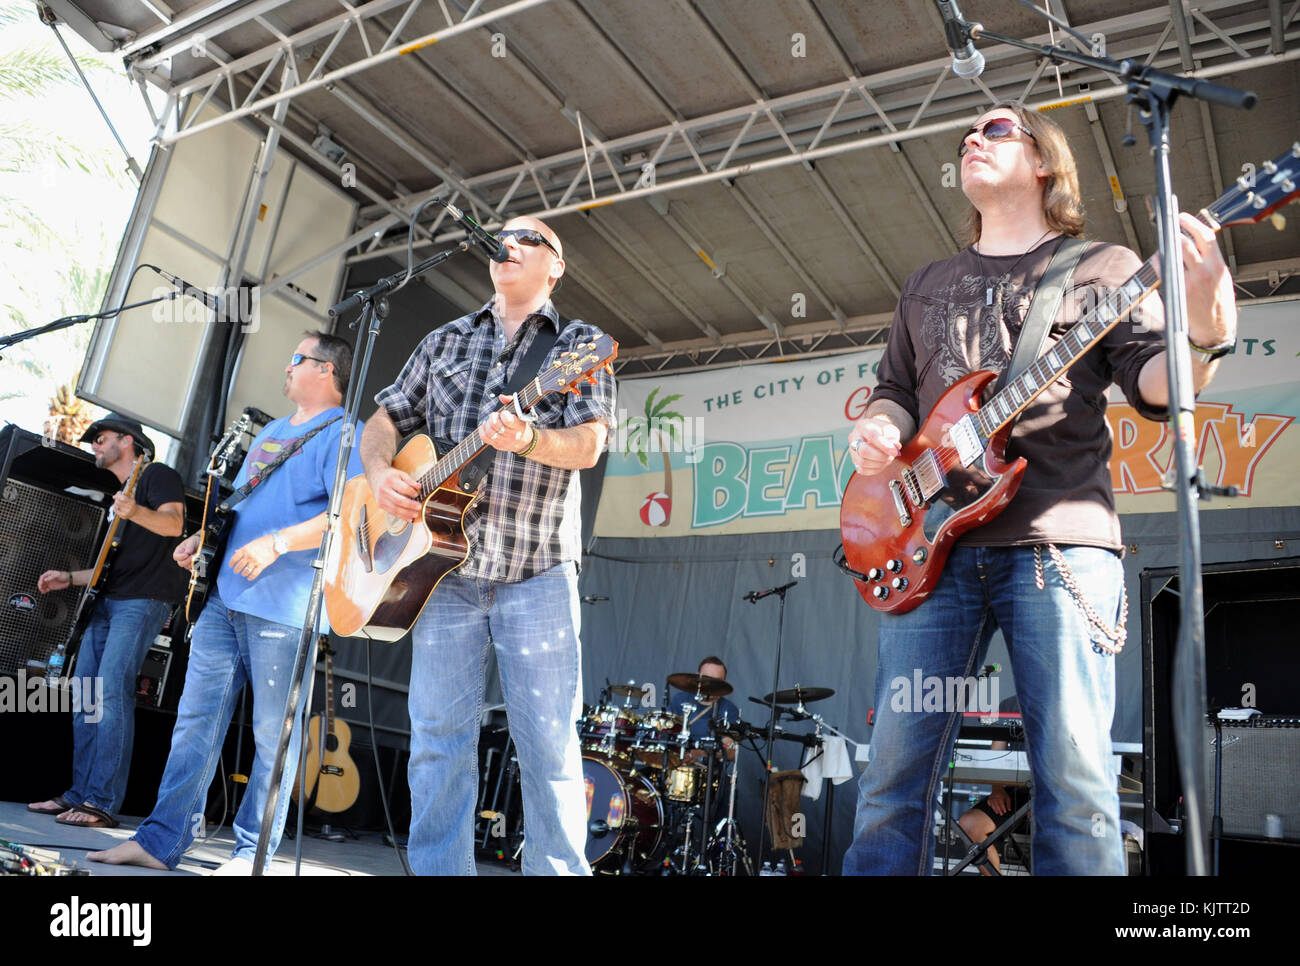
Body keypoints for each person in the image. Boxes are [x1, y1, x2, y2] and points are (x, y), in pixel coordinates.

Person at [842, 103, 1236, 876]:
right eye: (964, 134)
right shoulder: (926, 284)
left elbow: (1160, 388)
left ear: (1045, 161)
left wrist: (1209, 328)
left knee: (1077, 787)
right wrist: (879, 433)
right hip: (931, 560)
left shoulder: (1104, 268)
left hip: (1058, 548)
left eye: (992, 129)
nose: (970, 139)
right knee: (891, 778)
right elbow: (893, 390)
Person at [360, 215, 616, 875]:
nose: (511, 244)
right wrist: (381, 472)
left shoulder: (579, 345)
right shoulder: (443, 341)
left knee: (550, 748)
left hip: (536, 574)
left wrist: (529, 439)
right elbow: (386, 417)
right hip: (443, 575)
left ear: (555, 267)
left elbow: (589, 443)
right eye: (505, 236)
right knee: (438, 743)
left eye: (531, 239)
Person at [89, 331, 362, 874]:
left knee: (270, 738)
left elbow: (350, 517)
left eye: (296, 358)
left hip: (284, 609)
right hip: (224, 601)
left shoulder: (346, 435)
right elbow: (240, 504)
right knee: (193, 721)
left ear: (326, 371)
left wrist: (279, 542)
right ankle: (159, 840)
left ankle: (249, 856)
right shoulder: (274, 433)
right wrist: (201, 538)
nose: (286, 367)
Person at [27, 414, 185, 829]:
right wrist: (69, 578)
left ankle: (102, 801)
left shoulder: (157, 475)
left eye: (100, 438)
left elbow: (174, 523)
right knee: (86, 697)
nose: (94, 445)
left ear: (127, 441)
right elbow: (111, 564)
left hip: (143, 601)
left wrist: (133, 511)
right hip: (110, 599)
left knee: (111, 693)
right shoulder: (121, 495)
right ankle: (80, 794)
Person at [956, 695, 1029, 874]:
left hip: (1056, 791)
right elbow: (997, 750)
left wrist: (1045, 800)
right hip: (1018, 789)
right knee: (970, 824)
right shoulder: (1010, 704)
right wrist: (997, 789)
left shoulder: (1067, 700)